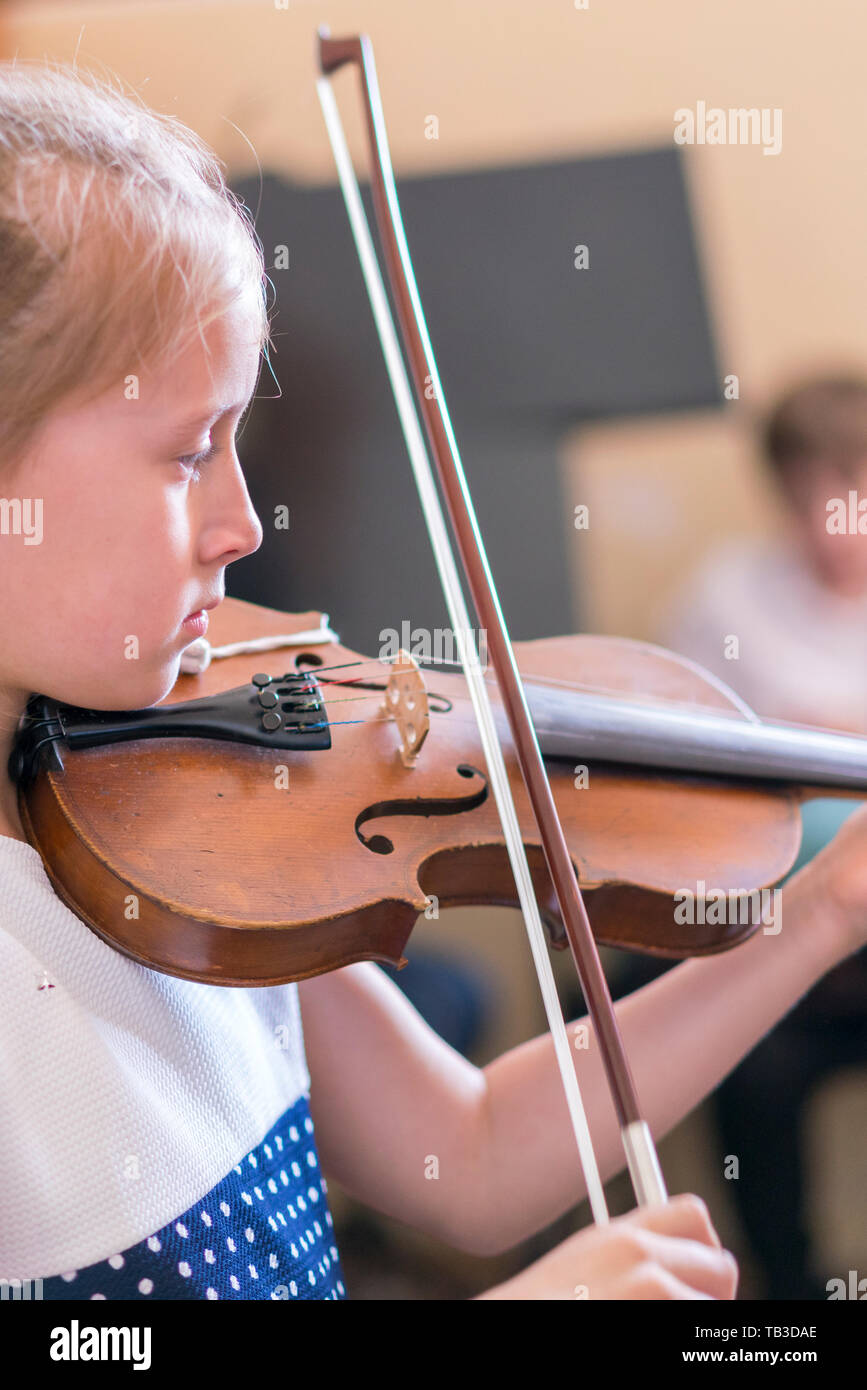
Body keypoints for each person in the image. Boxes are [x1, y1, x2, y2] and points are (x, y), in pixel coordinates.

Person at [0, 63, 864, 1304]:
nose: (242, 520)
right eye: (189, 450)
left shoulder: (175, 817)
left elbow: (461, 1153)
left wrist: (826, 905)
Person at [658, 376, 867, 1297]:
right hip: (775, 933)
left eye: (851, 492)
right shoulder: (726, 599)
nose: (833, 525)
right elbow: (681, 769)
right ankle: (785, 1293)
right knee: (734, 1042)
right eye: (809, 495)